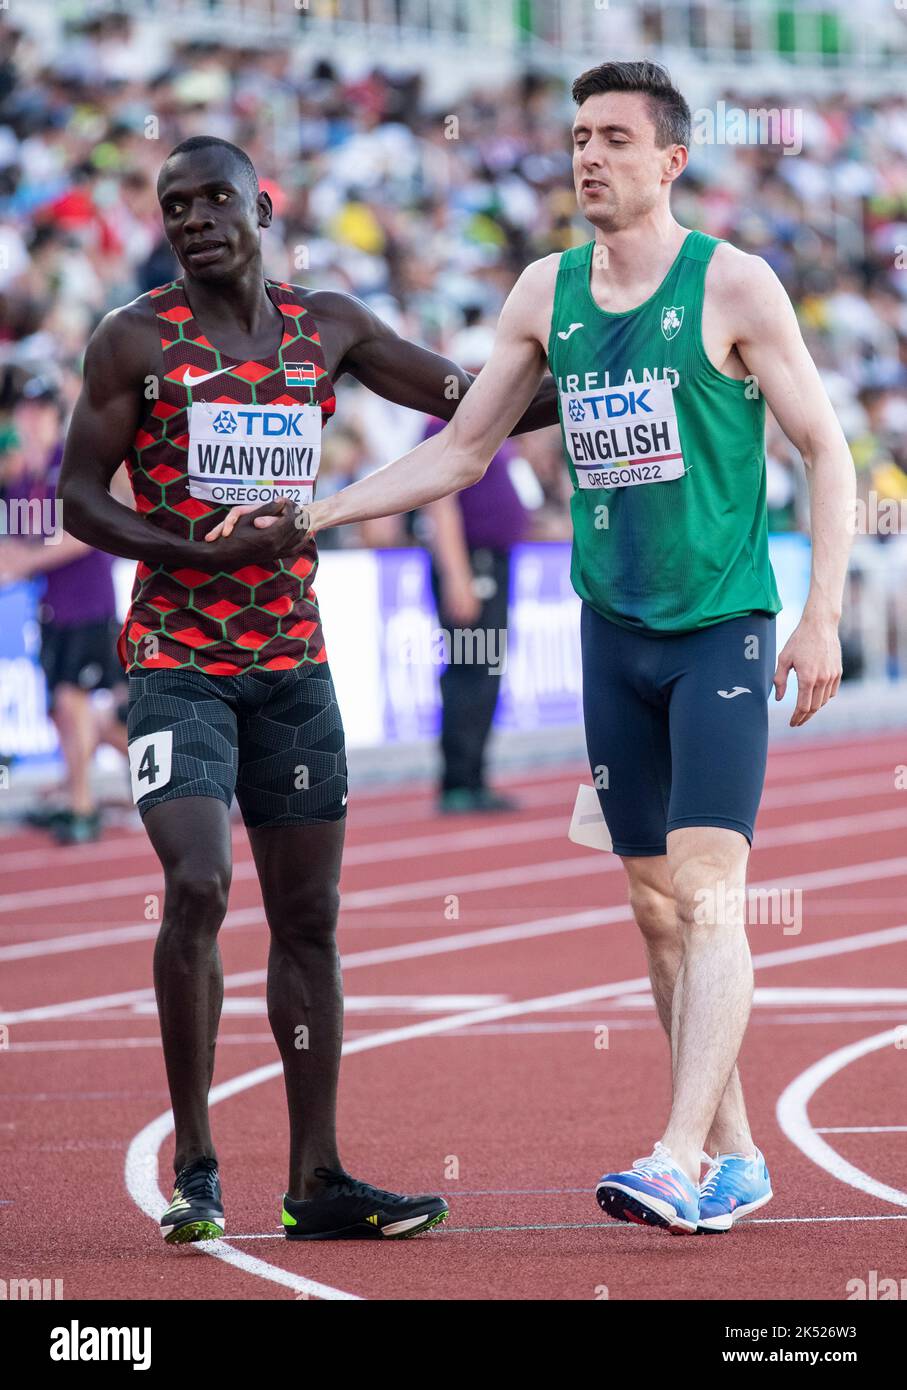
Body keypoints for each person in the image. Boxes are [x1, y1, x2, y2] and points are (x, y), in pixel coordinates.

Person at [259, 62, 855, 1236]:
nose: (588, 156)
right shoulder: (546, 293)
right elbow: (462, 448)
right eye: (579, 136)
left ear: (669, 160)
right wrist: (316, 511)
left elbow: (825, 452)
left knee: (709, 889)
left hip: (720, 628)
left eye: (615, 138)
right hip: (610, 630)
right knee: (651, 905)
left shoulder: (735, 285)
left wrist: (821, 612)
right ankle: (732, 1152)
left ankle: (678, 1154)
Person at [58, 135, 559, 1244]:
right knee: (196, 883)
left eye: (214, 199)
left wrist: (590, 372)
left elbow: (476, 408)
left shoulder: (324, 327)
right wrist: (192, 557)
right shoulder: (132, 338)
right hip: (178, 659)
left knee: (311, 919)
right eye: (174, 203)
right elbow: (79, 498)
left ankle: (316, 1177)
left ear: (263, 206)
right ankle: (195, 1166)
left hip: (291, 666)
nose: (193, 218)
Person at [0, 377, 128, 843]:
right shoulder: (21, 480)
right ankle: (166, 785)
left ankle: (80, 804)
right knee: (67, 710)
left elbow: (80, 535)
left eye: (39, 412)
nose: (30, 421)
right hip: (54, 608)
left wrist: (24, 560)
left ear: (56, 417)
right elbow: (17, 543)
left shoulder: (69, 466)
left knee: (73, 702)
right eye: (23, 412)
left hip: (88, 603)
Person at [423, 325, 530, 814]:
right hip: (475, 564)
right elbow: (440, 508)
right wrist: (459, 575)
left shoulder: (489, 423)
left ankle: (472, 774)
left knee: (482, 670)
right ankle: (461, 779)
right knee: (472, 668)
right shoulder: (448, 424)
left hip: (489, 562)